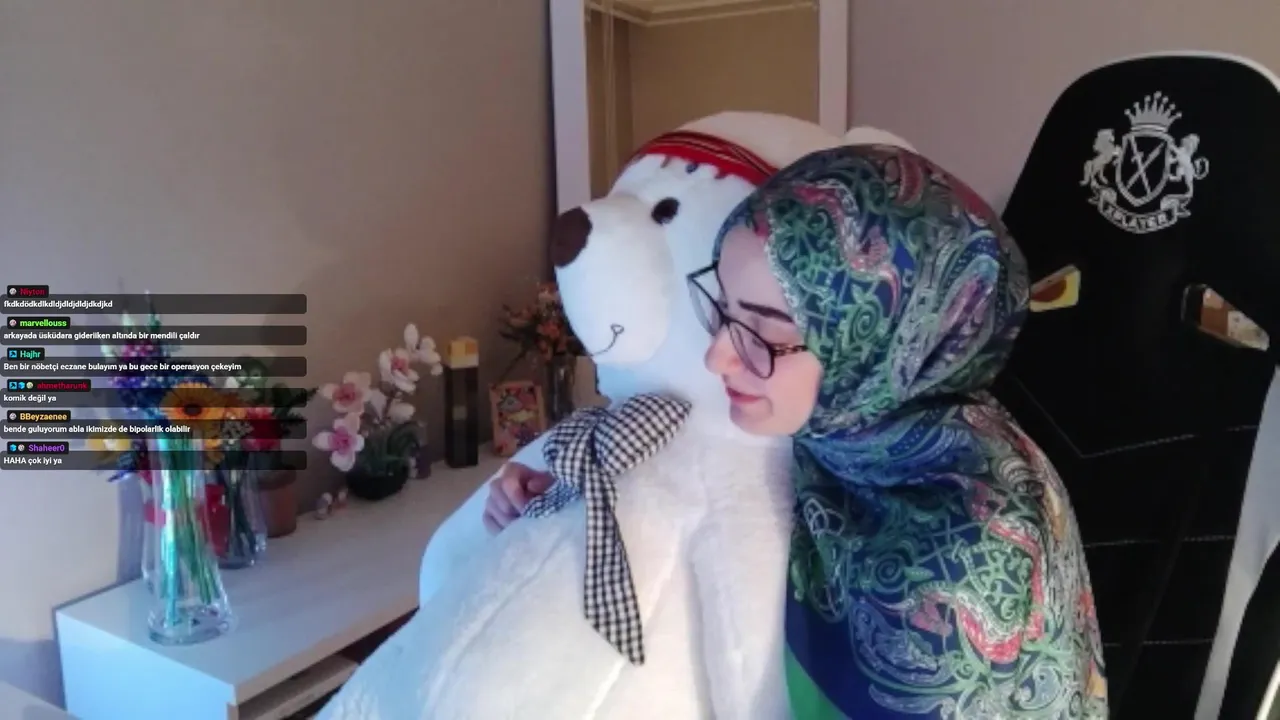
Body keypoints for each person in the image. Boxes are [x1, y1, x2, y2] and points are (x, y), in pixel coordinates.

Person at [487, 145, 1108, 718]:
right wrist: (559, 498)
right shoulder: (843, 429)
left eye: (764, 332)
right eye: (722, 310)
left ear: (878, 341)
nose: (717, 357)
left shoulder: (969, 549)